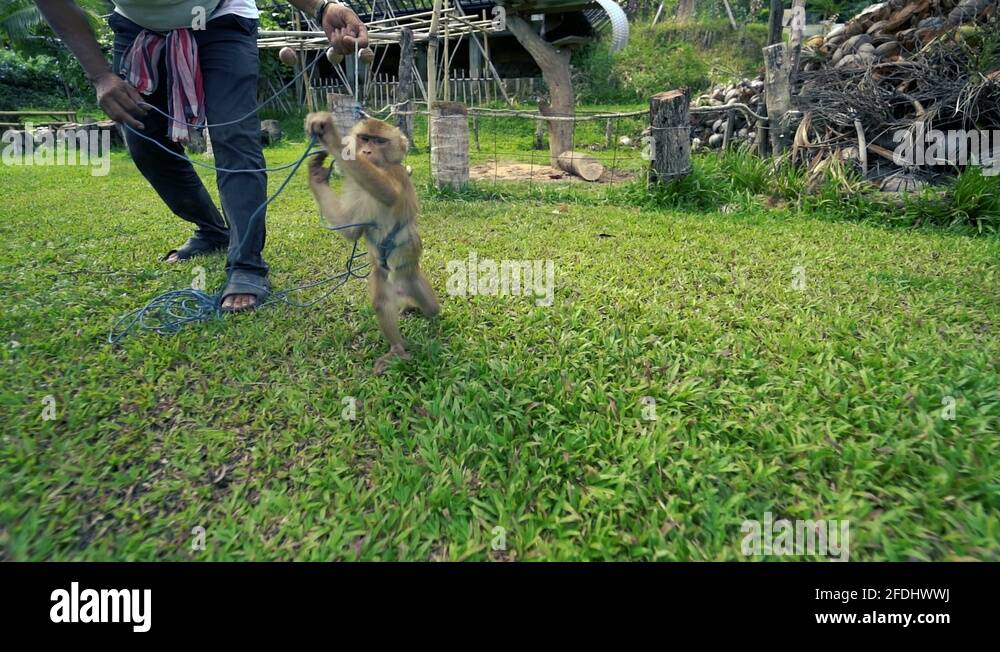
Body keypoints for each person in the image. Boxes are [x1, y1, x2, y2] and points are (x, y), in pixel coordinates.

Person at [35, 0, 369, 311]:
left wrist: (321, 7)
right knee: (144, 139)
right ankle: (212, 230)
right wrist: (101, 75)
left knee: (234, 136)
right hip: (137, 27)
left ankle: (246, 263)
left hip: (222, 15)